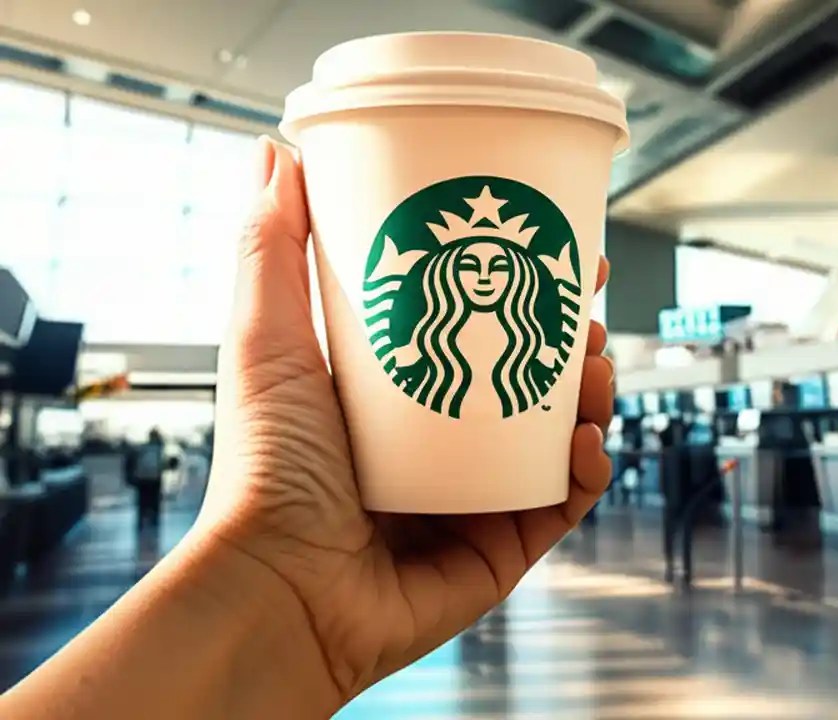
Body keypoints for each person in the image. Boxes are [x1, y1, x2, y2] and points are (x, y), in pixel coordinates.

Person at [0, 137, 614, 718]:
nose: (484, 278)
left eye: (500, 268)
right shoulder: (432, 348)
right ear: (442, 277)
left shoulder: (523, 346)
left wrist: (280, 594)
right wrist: (281, 587)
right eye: (468, 265)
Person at [124, 428, 173, 530]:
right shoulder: (157, 449)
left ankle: (143, 523)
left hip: (144, 479)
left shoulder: (143, 448)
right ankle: (152, 522)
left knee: (144, 503)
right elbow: (163, 464)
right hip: (153, 479)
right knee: (153, 503)